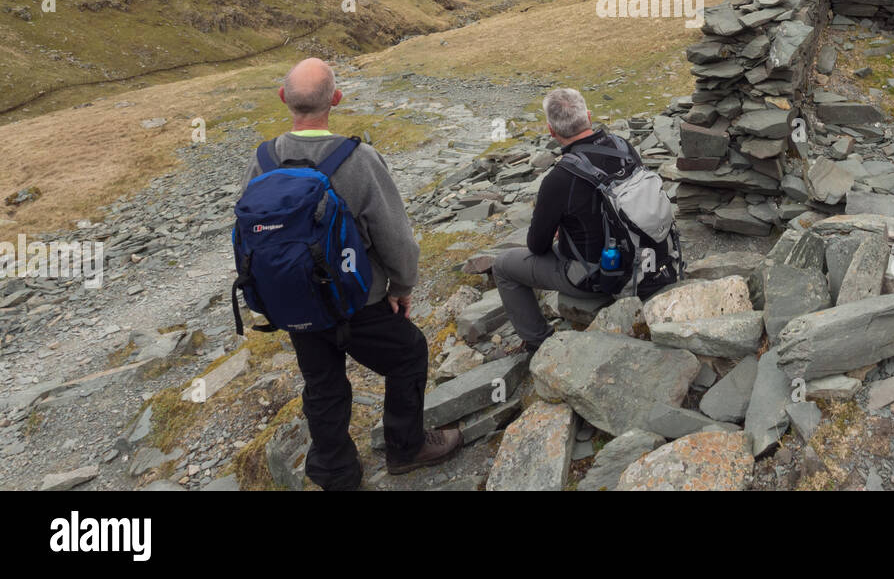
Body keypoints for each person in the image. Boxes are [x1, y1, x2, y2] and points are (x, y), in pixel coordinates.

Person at [238, 57, 460, 490]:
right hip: (358, 298)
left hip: (294, 301)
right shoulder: (358, 157)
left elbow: (248, 235)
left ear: (284, 99)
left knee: (322, 382)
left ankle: (334, 471)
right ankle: (406, 447)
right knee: (409, 353)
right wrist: (403, 285)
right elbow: (395, 236)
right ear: (336, 100)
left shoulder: (262, 160)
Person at [493, 87, 646, 352]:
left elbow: (536, 246)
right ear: (588, 115)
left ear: (552, 131)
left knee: (503, 266)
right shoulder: (623, 146)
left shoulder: (559, 178)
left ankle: (539, 342)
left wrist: (560, 228)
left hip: (597, 277)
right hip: (644, 256)